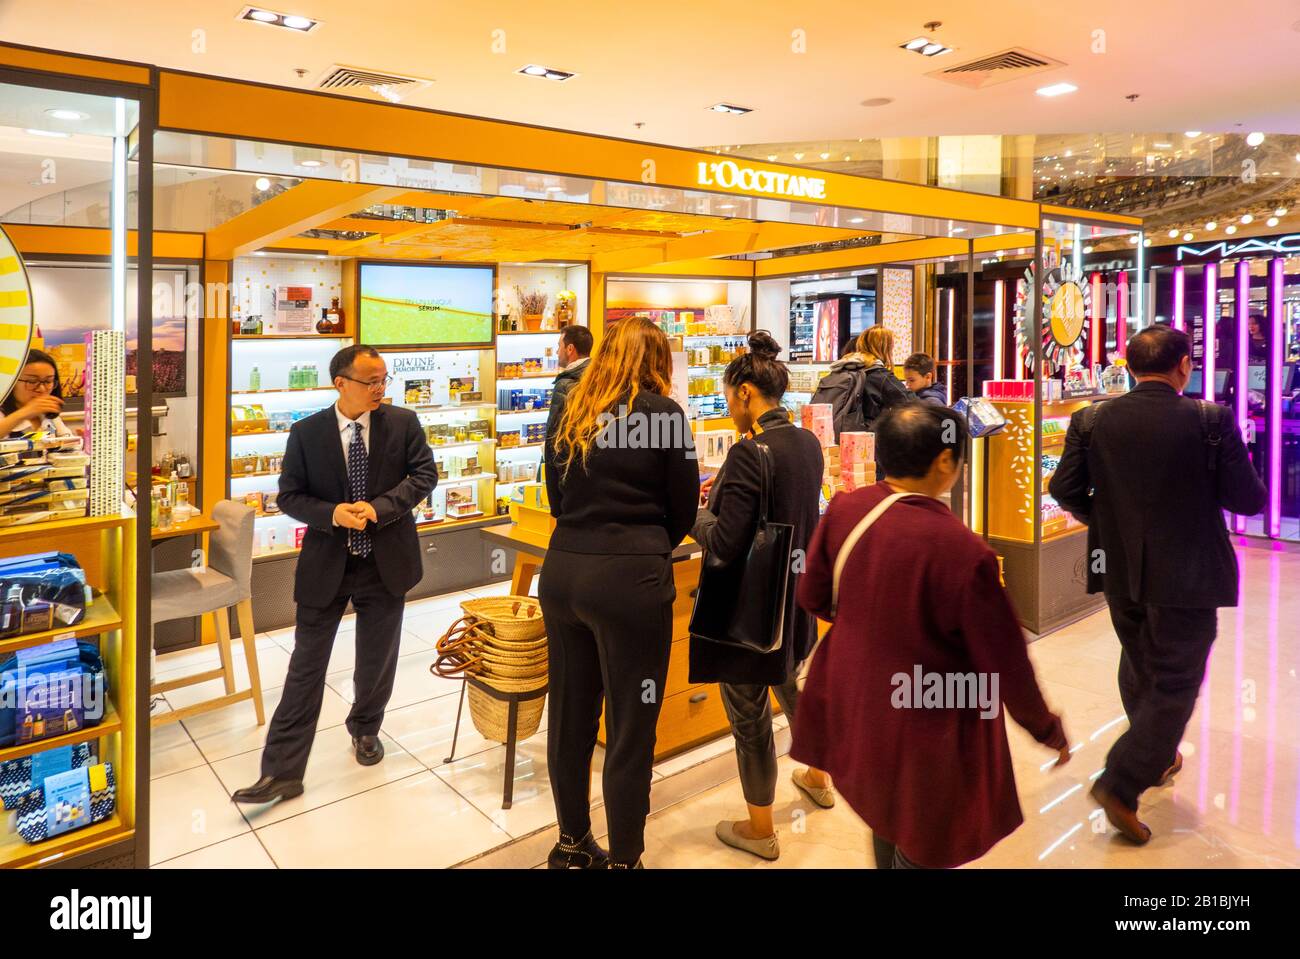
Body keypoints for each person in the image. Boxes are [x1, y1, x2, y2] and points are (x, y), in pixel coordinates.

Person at [792, 404, 1070, 868]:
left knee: (884, 812)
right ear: (944, 461)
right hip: (928, 726)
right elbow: (1005, 662)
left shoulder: (846, 509)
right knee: (924, 832)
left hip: (857, 701)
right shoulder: (964, 552)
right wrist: (1046, 727)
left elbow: (814, 595)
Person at [1049, 324, 1266, 844]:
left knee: (1141, 657)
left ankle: (1157, 751)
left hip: (1118, 564)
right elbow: (1248, 499)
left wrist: (1105, 520)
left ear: (1128, 367)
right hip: (1187, 570)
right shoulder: (1210, 420)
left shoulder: (1092, 418)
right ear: (1184, 366)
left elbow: (1064, 488)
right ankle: (1121, 784)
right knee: (1175, 678)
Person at [232, 345, 437, 805]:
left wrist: (380, 508)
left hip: (386, 562)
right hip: (327, 564)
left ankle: (366, 728)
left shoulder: (403, 423)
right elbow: (289, 496)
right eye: (371, 381)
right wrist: (333, 515)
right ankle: (282, 771)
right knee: (305, 666)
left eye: (384, 378)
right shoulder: (307, 433)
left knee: (377, 657)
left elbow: (425, 476)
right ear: (340, 383)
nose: (380, 388)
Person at [540, 317, 699, 869]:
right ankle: (626, 857)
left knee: (569, 717)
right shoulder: (664, 416)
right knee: (631, 726)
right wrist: (642, 541)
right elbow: (683, 512)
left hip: (561, 574)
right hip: (630, 582)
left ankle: (570, 843)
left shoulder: (572, 409)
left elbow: (555, 497)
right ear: (657, 360)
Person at [688, 331, 832, 861]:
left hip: (749, 608)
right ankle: (818, 775)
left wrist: (691, 512)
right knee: (791, 678)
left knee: (749, 715)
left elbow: (725, 544)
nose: (728, 409)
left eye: (729, 398)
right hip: (794, 599)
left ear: (746, 392)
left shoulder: (752, 452)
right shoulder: (806, 442)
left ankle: (760, 828)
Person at [808, 326, 913, 439]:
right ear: (885, 348)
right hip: (867, 442)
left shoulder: (843, 369)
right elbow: (911, 402)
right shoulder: (879, 375)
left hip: (838, 438)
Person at [0, 349, 74, 437]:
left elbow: (66, 440)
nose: (42, 389)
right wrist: (24, 413)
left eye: (48, 381)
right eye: (32, 381)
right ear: (11, 382)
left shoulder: (48, 415)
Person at [544, 324, 593, 444]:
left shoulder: (564, 384)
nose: (557, 352)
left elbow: (555, 431)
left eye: (559, 346)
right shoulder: (598, 376)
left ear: (570, 349)